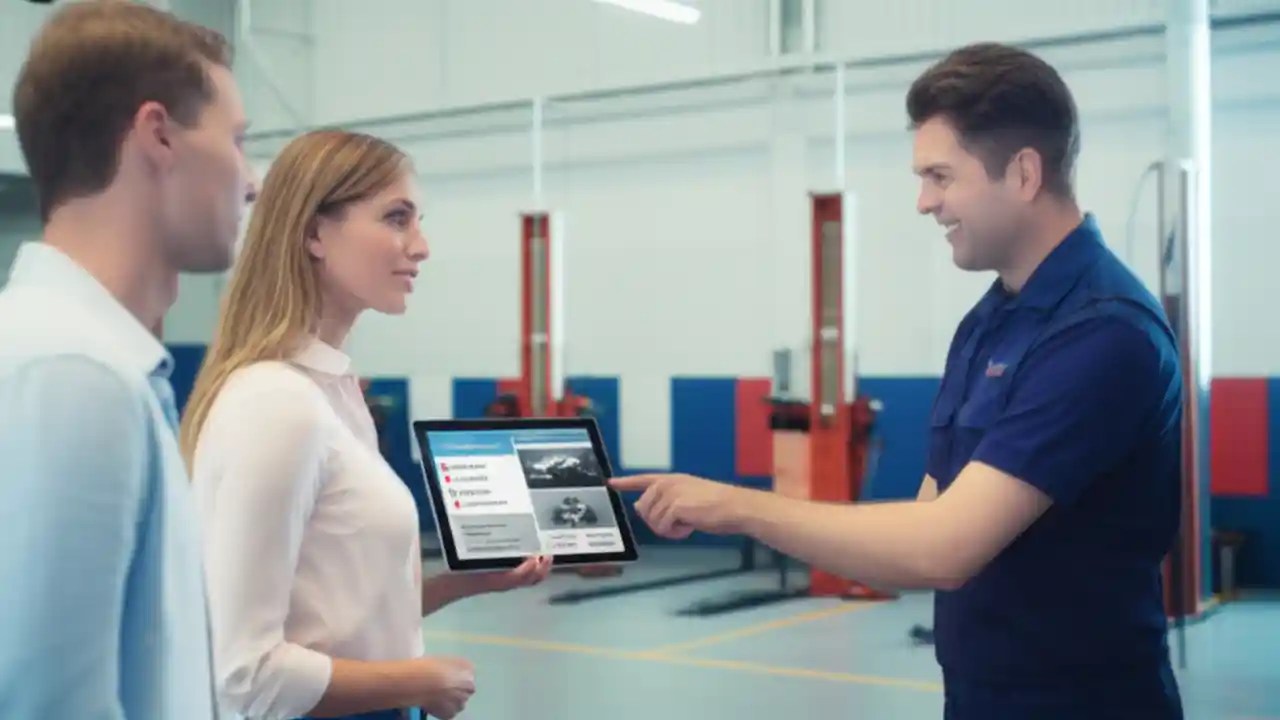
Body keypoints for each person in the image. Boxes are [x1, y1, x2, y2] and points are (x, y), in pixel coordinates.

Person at [613, 42, 1184, 719]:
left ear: (1024, 173)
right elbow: (922, 525)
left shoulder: (1104, 335)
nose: (924, 203)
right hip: (978, 697)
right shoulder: (989, 323)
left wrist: (735, 507)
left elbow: (945, 549)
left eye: (940, 176)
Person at [178, 129, 552, 720]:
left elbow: (337, 619)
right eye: (396, 218)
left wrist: (463, 582)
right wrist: (420, 680)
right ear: (313, 233)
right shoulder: (276, 403)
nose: (421, 245)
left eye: (417, 219)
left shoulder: (332, 391)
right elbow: (244, 676)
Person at [0, 2, 255, 717]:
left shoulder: (88, 363)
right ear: (158, 135)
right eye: (238, 141)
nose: (253, 178)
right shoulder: (74, 377)